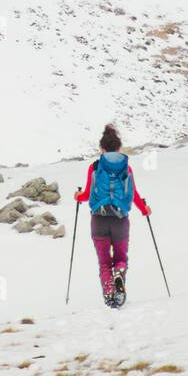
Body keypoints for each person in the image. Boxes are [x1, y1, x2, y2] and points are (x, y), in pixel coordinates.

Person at [74, 123, 151, 307]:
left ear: (101, 148)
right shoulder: (126, 168)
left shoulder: (95, 167)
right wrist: (144, 209)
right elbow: (133, 194)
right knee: (120, 257)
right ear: (118, 148)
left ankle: (110, 294)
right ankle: (120, 274)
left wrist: (78, 196)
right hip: (120, 221)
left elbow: (87, 194)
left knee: (104, 261)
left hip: (98, 220)